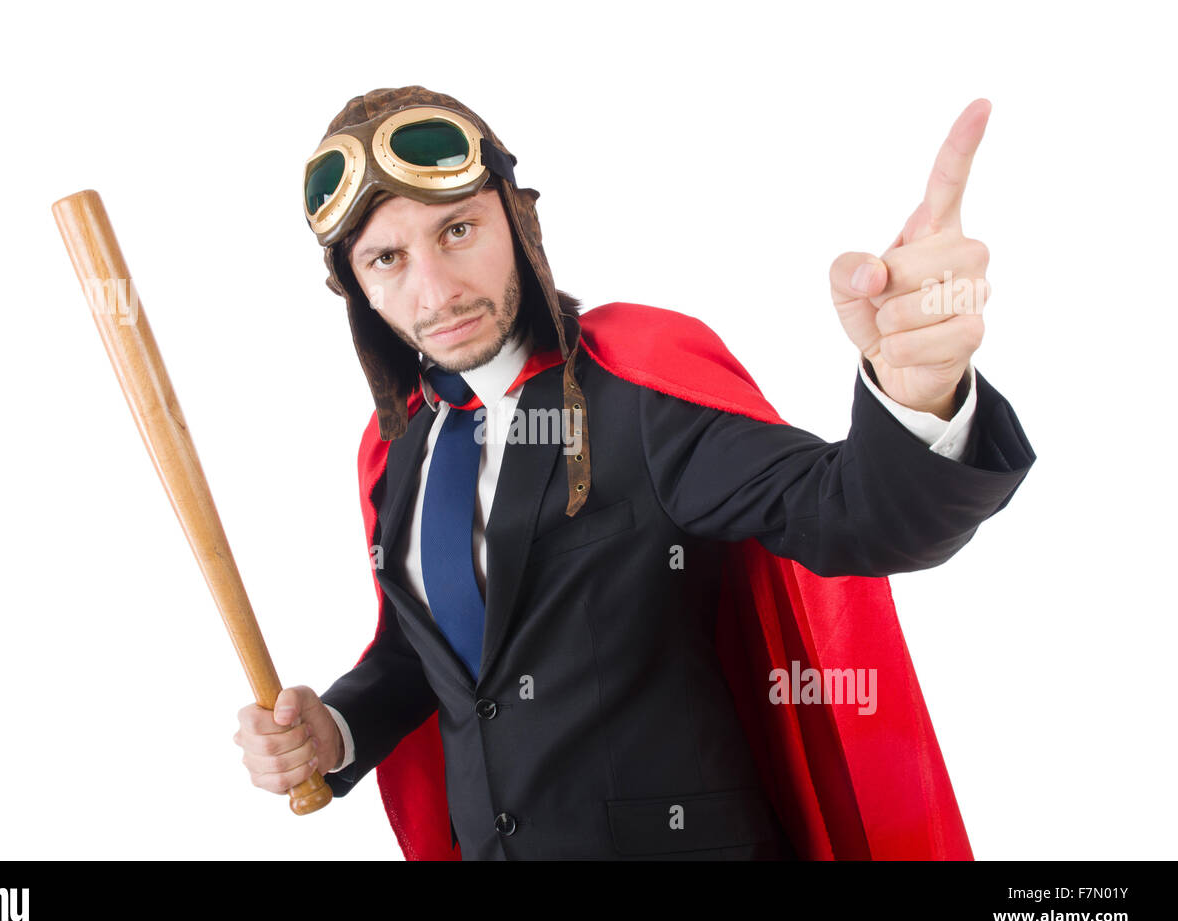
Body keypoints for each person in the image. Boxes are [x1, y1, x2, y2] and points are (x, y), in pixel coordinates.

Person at [233, 85, 1035, 860]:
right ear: (357, 288)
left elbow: (848, 514)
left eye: (457, 231)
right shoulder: (397, 450)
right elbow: (431, 656)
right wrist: (332, 729)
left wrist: (919, 393)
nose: (435, 291)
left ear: (516, 221)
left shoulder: (638, 388)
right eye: (387, 258)